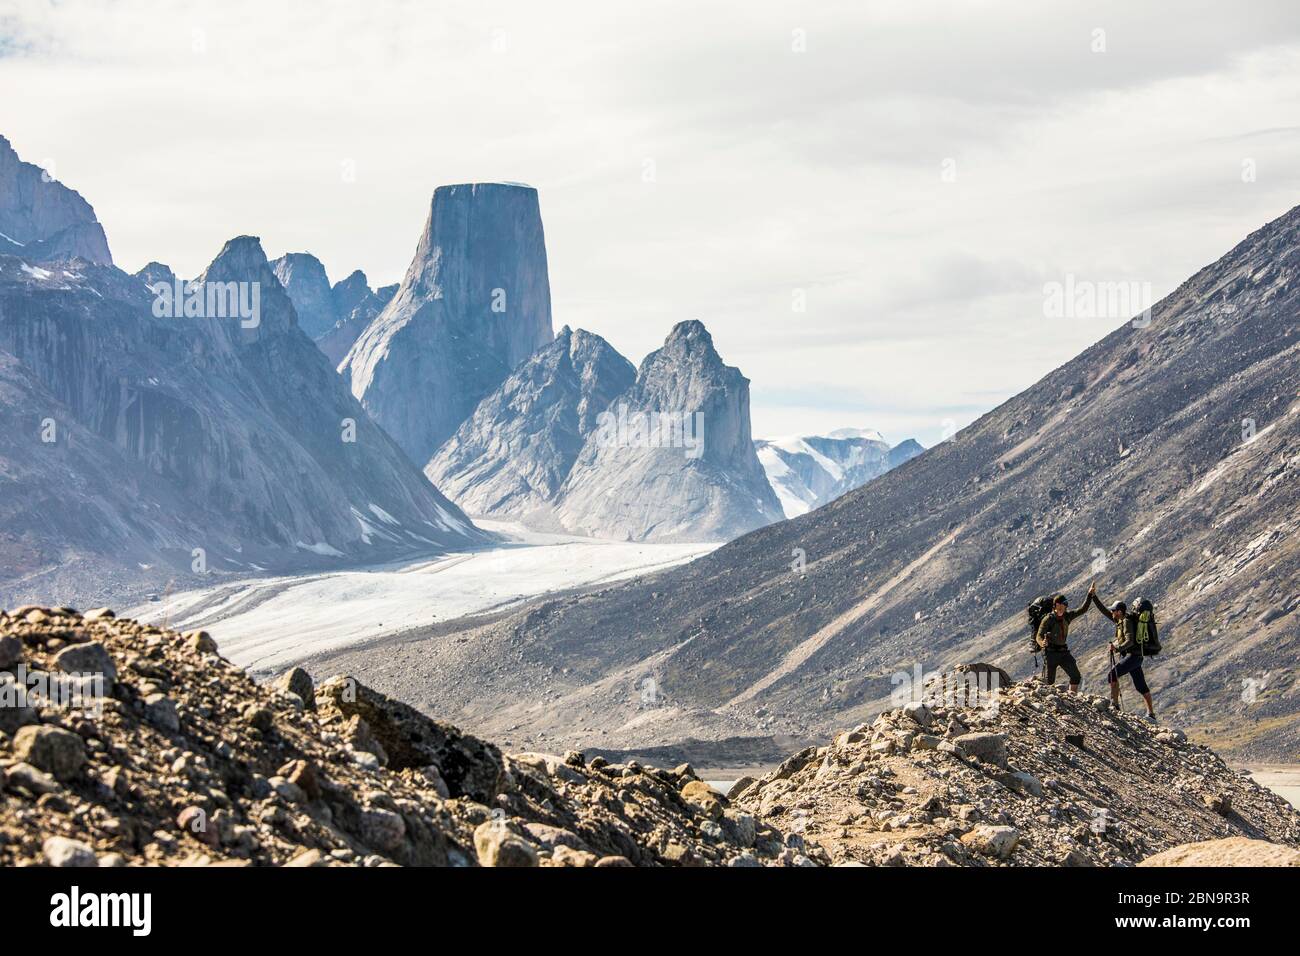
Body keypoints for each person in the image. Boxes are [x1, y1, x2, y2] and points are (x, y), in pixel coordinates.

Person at [1090, 590, 1157, 721]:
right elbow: (1104, 611)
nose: (1112, 613)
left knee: (1112, 675)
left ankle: (1115, 704)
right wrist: (1094, 597)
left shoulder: (1126, 622)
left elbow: (1130, 641)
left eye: (1114, 610)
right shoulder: (1119, 620)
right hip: (1135, 657)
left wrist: (1116, 648)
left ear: (1119, 611)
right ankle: (1151, 714)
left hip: (1132, 656)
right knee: (1140, 685)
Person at [1035, 586, 1093, 692]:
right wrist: (1042, 643)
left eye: (1065, 604)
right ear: (1057, 605)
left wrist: (1090, 595)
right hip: (1050, 653)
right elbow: (1039, 635)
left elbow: (1083, 609)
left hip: (1063, 652)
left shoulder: (1067, 616)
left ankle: (1073, 698)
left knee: (1075, 676)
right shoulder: (1048, 619)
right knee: (1049, 682)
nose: (1065, 606)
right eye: (1063, 604)